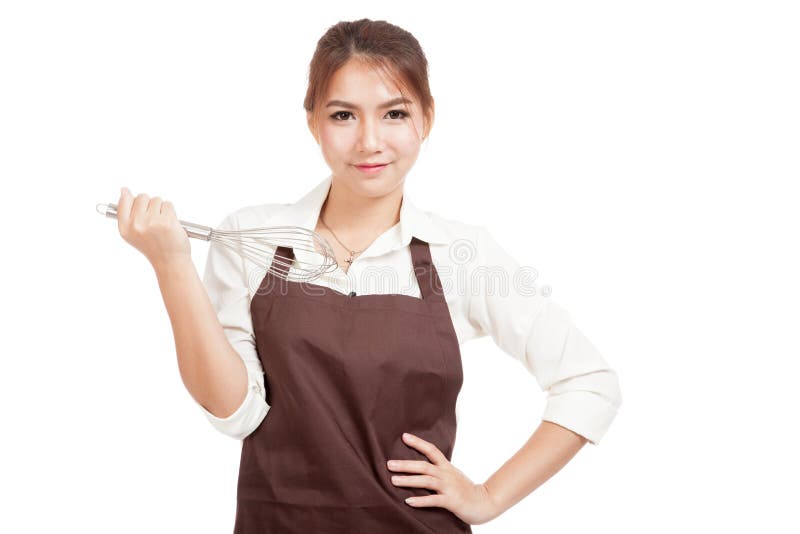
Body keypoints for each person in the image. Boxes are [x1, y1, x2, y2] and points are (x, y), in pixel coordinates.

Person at [114, 18, 622, 533]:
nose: (370, 141)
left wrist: (488, 497)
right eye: (343, 115)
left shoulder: (462, 255)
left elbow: (589, 383)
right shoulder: (251, 238)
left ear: (426, 118)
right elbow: (234, 413)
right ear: (313, 121)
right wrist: (171, 264)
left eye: (394, 113)